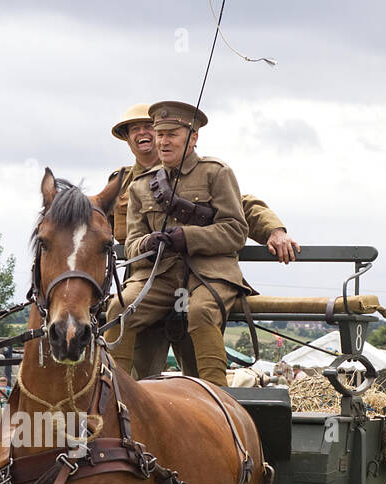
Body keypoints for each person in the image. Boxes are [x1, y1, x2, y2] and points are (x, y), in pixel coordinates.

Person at [105, 101, 299, 387]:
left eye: (161, 131)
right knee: (136, 359)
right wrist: (147, 242)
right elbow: (111, 234)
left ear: (191, 137)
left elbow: (241, 211)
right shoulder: (127, 184)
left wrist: (274, 229)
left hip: (202, 276)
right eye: (140, 130)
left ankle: (216, 405)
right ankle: (116, 401)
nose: (155, 137)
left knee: (198, 347)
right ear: (128, 138)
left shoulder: (212, 172)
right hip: (152, 277)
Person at [107, 103, 160, 243]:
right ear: (127, 137)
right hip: (131, 263)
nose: (142, 132)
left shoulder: (181, 175)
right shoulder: (120, 180)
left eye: (149, 127)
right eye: (135, 129)